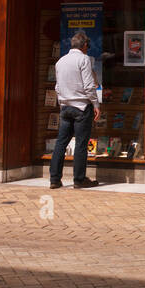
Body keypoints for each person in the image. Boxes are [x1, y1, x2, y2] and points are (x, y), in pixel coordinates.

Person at [49, 31, 101, 189]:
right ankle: (79, 179)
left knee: (61, 143)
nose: (88, 48)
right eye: (88, 46)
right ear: (84, 45)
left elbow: (57, 87)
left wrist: (62, 104)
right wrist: (96, 104)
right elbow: (88, 85)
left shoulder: (61, 61)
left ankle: (55, 179)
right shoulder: (83, 59)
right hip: (81, 106)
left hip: (65, 107)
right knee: (81, 144)